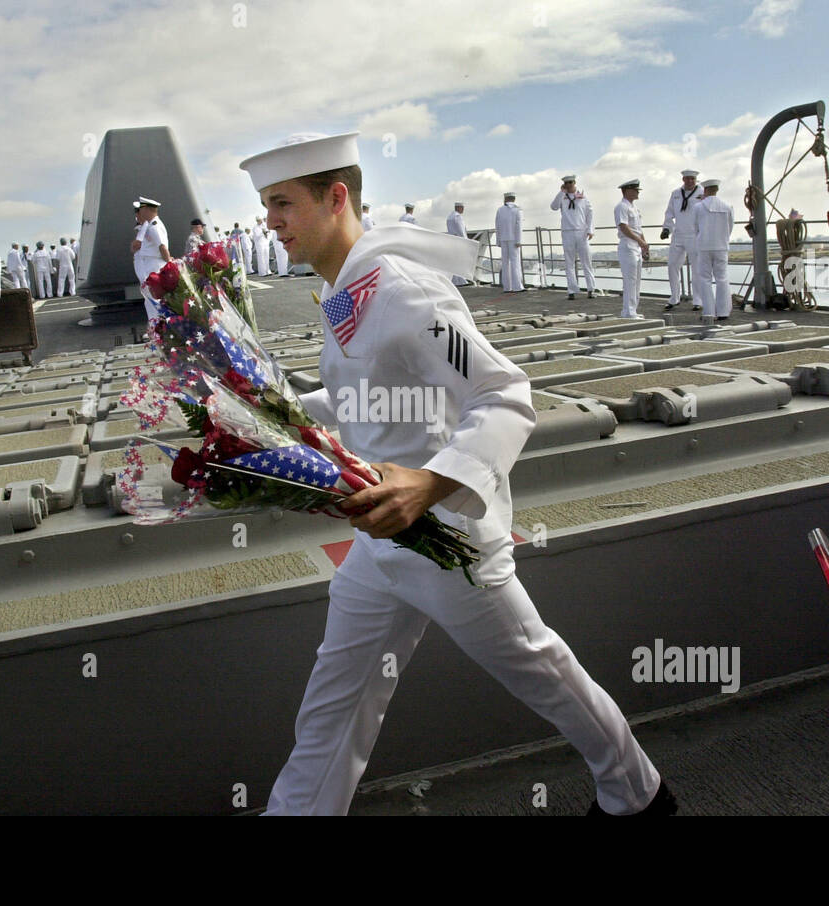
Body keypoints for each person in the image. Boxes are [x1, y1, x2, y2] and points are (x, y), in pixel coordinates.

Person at [238, 130, 675, 817]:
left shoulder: (402, 291)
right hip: (381, 540)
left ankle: (637, 793)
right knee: (336, 700)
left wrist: (429, 483)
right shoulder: (349, 288)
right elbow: (367, 393)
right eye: (266, 206)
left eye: (282, 203)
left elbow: (504, 394)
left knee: (543, 672)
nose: (271, 222)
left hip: (444, 539)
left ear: (337, 197)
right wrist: (269, 417)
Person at [692, 179, 734, 321]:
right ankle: (723, 311)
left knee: (705, 279)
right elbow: (730, 226)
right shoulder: (728, 206)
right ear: (717, 189)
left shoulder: (698, 207)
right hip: (721, 245)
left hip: (704, 246)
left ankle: (709, 312)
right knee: (722, 278)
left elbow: (695, 227)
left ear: (705, 190)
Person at [550, 175, 597, 300]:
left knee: (587, 262)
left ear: (575, 183)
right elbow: (553, 206)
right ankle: (571, 290)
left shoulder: (583, 197)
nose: (569, 185)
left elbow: (590, 214)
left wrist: (590, 229)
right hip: (567, 232)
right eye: (566, 183)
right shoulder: (562, 197)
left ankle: (591, 289)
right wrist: (561, 192)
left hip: (581, 232)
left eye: (570, 182)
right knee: (569, 263)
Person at [662, 169, 702, 312]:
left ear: (696, 180)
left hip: (694, 234)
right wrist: (666, 228)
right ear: (683, 179)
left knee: (696, 268)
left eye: (692, 179)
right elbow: (669, 212)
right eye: (687, 179)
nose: (690, 181)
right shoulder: (676, 194)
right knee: (672, 265)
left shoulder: (701, 192)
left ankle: (698, 300)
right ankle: (674, 297)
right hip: (678, 234)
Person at [132, 197, 172, 321]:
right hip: (149, 264)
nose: (139, 212)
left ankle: (158, 326)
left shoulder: (154, 226)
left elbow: (162, 247)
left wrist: (170, 264)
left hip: (154, 265)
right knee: (150, 299)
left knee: (154, 298)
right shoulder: (149, 225)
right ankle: (155, 326)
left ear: (146, 210)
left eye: (141, 209)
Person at [614, 179, 648, 319]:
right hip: (628, 245)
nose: (637, 192)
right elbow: (624, 227)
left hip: (636, 245)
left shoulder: (634, 208)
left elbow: (638, 229)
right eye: (634, 190)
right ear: (626, 191)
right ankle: (628, 311)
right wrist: (640, 241)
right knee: (630, 280)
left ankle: (632, 310)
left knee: (636, 280)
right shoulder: (621, 207)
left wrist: (644, 244)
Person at [495, 191, 524, 292]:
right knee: (515, 262)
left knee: (505, 263)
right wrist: (519, 240)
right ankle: (517, 286)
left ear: (505, 199)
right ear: (514, 199)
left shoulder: (500, 210)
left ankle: (507, 287)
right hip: (513, 239)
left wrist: (498, 241)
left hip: (503, 239)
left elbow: (497, 226)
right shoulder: (517, 210)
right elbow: (518, 225)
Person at [445, 201, 472, 286]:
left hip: (451, 240)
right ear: (459, 208)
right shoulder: (458, 217)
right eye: (462, 208)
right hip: (459, 241)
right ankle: (462, 281)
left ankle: (456, 281)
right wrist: (466, 241)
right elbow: (461, 231)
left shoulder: (450, 217)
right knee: (461, 261)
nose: (463, 210)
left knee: (454, 261)